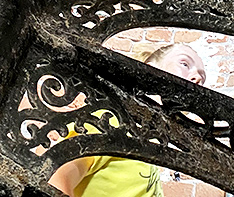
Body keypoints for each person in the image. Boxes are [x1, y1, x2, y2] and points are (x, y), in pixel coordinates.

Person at [49, 43, 206, 197]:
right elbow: (56, 177)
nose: (198, 78)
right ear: (150, 71)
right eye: (185, 64)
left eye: (203, 79)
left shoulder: (150, 143)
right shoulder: (111, 122)